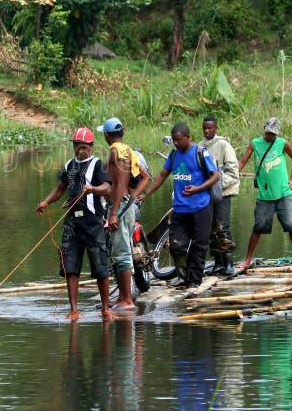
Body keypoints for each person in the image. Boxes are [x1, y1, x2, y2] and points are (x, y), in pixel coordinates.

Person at [36, 127, 115, 320]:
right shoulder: (69, 165)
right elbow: (60, 188)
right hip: (72, 222)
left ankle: (105, 308)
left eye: (83, 147)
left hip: (93, 221)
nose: (80, 151)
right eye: (76, 147)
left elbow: (106, 187)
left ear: (91, 146)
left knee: (100, 265)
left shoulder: (97, 165)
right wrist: (46, 201)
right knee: (70, 265)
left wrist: (92, 189)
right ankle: (73, 310)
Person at [137, 122, 220, 288]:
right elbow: (162, 174)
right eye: (174, 140)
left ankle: (194, 280)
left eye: (179, 140)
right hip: (180, 208)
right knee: (176, 244)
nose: (175, 143)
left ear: (188, 137)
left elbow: (215, 176)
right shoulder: (174, 154)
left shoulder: (200, 153)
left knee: (199, 245)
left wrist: (198, 188)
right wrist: (147, 194)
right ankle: (183, 276)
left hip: (201, 208)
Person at [236, 117, 292, 270]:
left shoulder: (282, 143)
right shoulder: (255, 143)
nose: (271, 136)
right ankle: (247, 260)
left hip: (284, 194)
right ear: (264, 130)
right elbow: (242, 161)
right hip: (265, 196)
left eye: (274, 134)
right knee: (258, 228)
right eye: (269, 133)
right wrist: (233, 173)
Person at [97, 117, 150, 312]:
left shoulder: (115, 152)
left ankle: (127, 300)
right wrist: (134, 196)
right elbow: (146, 177)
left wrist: (113, 212)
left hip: (119, 207)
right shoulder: (129, 151)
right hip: (126, 204)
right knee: (120, 252)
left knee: (121, 254)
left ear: (107, 135)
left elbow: (119, 183)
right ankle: (121, 297)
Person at [200, 116, 240, 275]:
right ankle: (218, 263)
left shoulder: (224, 145)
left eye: (210, 128)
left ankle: (228, 263)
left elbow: (233, 172)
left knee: (223, 228)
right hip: (205, 195)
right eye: (204, 128)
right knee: (210, 229)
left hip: (222, 194)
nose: (207, 131)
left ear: (216, 128)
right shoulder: (200, 146)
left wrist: (216, 186)